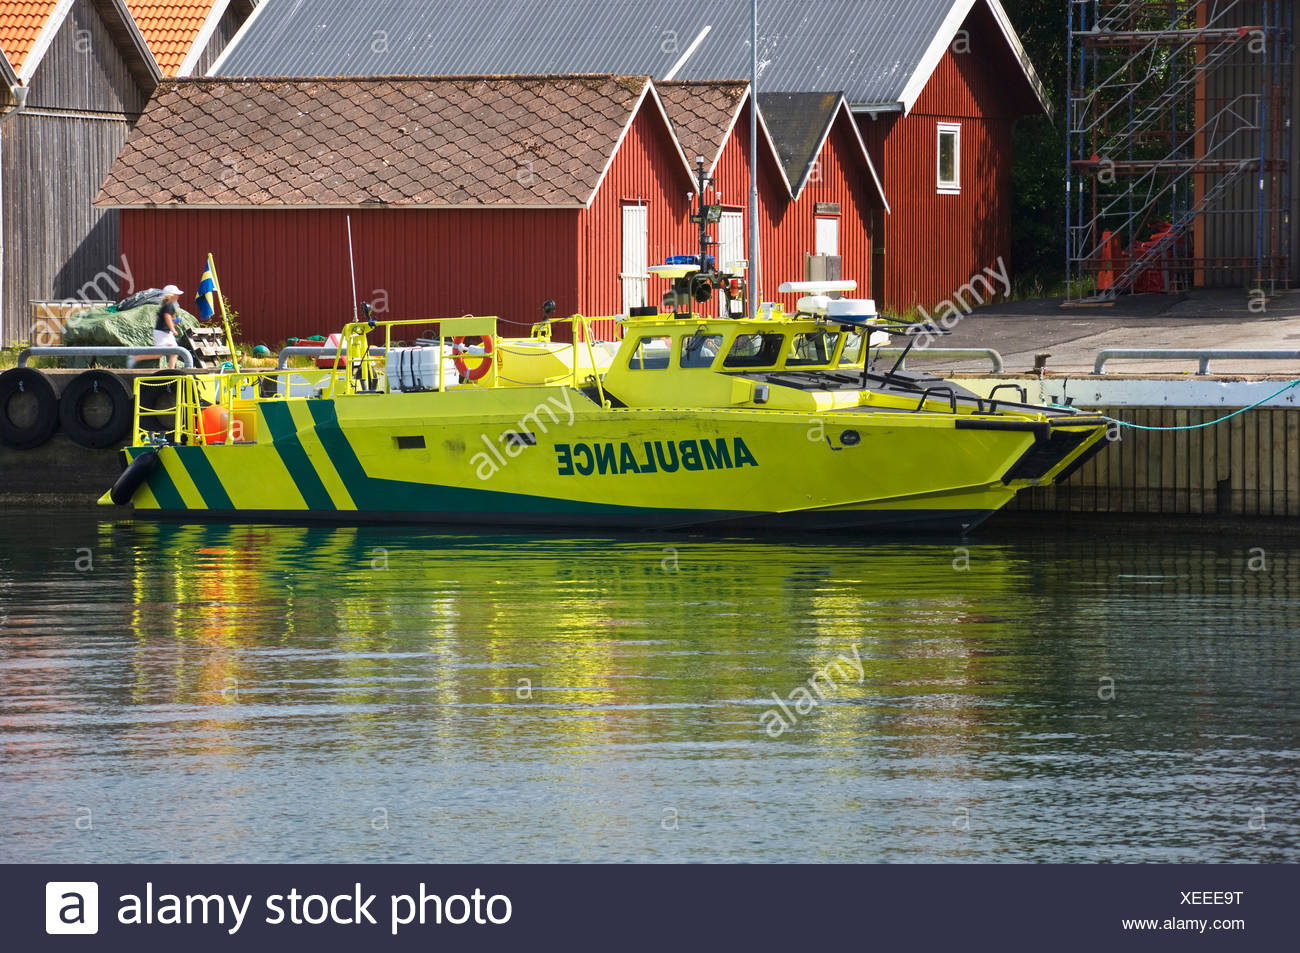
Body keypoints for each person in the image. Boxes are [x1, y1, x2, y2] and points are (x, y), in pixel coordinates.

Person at [153, 284, 183, 369]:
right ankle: (135, 357)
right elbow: (167, 317)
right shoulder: (169, 305)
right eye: (176, 294)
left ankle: (171, 370)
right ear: (172, 295)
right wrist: (173, 329)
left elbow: (168, 319)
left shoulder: (167, 305)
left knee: (174, 351)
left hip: (165, 332)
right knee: (158, 354)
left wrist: (175, 322)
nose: (178, 295)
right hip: (162, 332)